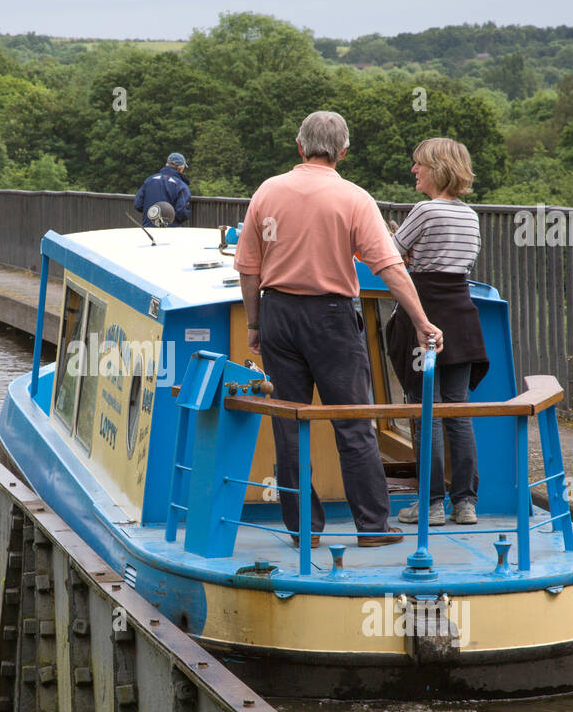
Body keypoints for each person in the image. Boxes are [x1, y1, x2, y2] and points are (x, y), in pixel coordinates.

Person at [234, 111, 443, 549]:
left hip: (277, 314)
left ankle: (304, 529)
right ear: (343, 151)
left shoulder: (266, 192)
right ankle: (371, 526)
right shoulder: (353, 198)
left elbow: (249, 269)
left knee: (290, 424)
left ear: (299, 146)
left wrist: (255, 323)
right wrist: (422, 322)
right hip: (331, 319)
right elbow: (389, 266)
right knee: (354, 421)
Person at [387, 138, 489, 527]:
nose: (415, 171)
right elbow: (456, 263)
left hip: (424, 315)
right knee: (457, 411)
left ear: (438, 168)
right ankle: (466, 503)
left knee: (423, 410)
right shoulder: (470, 215)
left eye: (420, 165)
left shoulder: (425, 210)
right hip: (462, 317)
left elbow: (391, 255)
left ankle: (430, 505)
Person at [134, 153, 191, 227]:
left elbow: (138, 205)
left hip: (148, 229)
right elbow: (182, 213)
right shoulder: (181, 186)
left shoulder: (149, 180)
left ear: (166, 164)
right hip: (170, 231)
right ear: (181, 168)